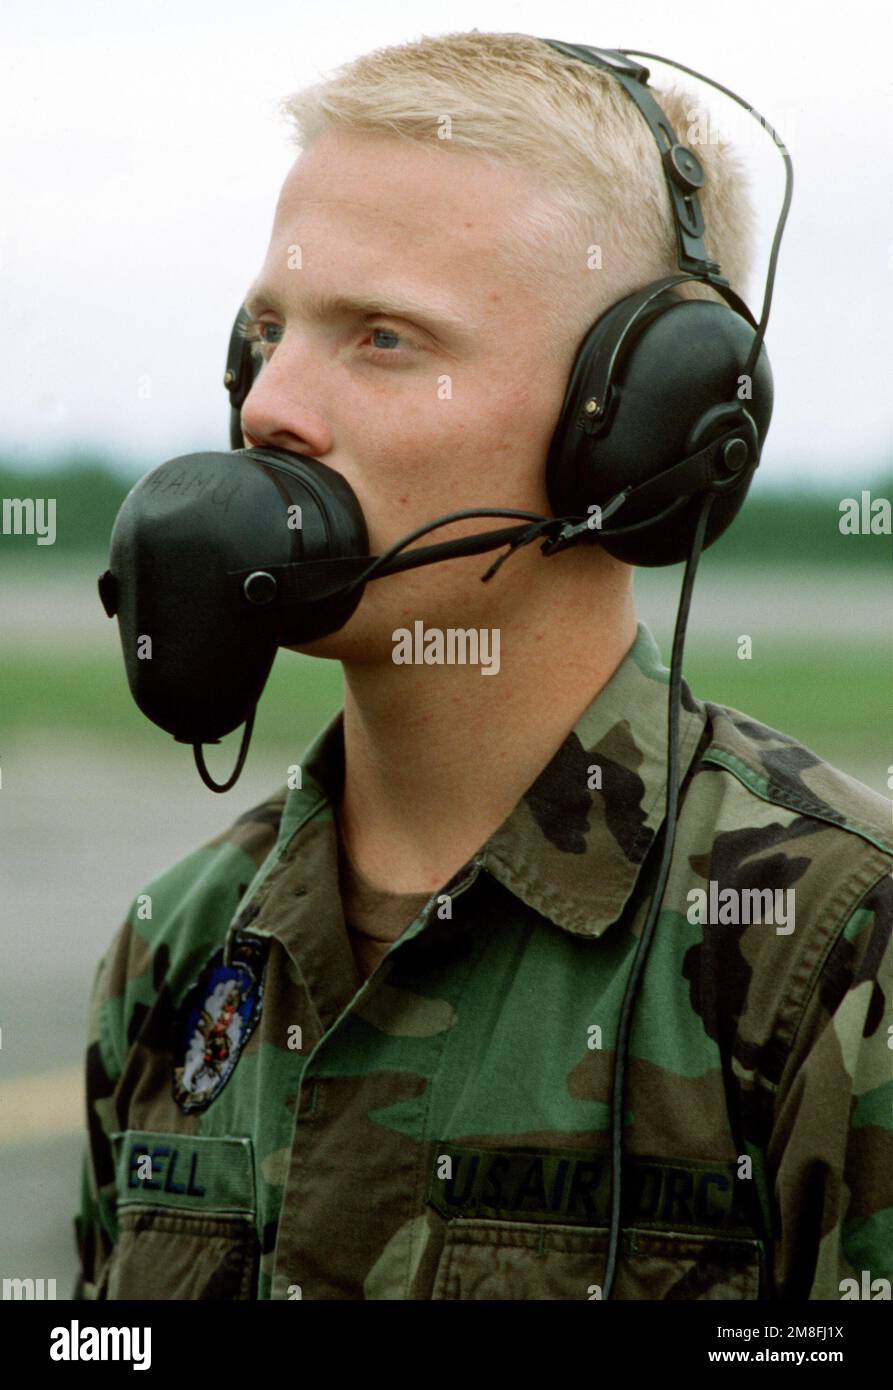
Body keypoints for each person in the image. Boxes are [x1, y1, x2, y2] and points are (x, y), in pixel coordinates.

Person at [74, 30, 892, 1301]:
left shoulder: (831, 947)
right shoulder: (180, 946)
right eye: (266, 333)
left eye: (384, 338)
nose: (266, 406)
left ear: (635, 435)